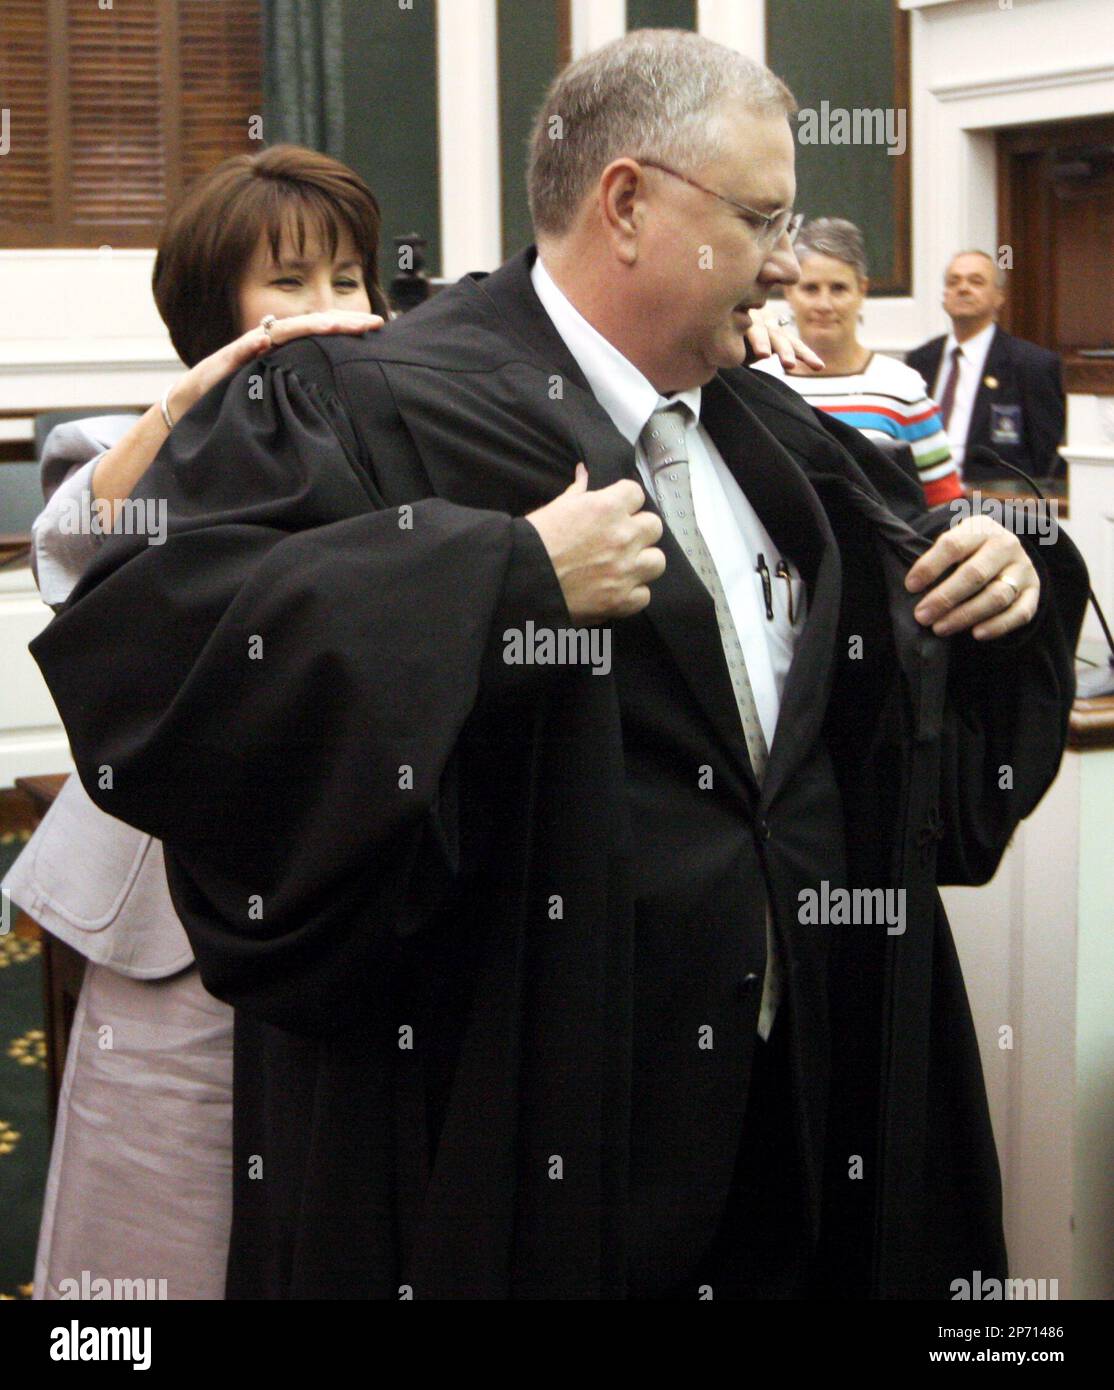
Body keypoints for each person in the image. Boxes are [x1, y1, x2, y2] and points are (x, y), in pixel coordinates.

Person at [30, 31, 1088, 1300]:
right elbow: (170, 662)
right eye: (758, 216)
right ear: (628, 203)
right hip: (519, 1142)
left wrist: (1005, 573)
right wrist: (501, 581)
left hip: (794, 1128)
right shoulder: (364, 408)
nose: (784, 260)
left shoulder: (774, 433)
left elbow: (915, 650)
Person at [2, 143, 390, 1299]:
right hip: (171, 904)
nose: (325, 313)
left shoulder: (397, 428)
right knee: (149, 1209)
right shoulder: (141, 444)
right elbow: (72, 544)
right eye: (289, 283)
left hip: (341, 886)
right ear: (213, 301)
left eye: (348, 281)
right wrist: (191, 398)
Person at [754, 218, 962, 507]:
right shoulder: (759, 385)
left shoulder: (902, 387)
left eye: (838, 288)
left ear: (862, 290)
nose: (824, 304)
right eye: (810, 288)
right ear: (789, 291)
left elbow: (945, 505)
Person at [906, 250, 1066, 484]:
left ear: (999, 297)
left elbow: (1048, 460)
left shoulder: (1032, 365)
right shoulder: (920, 361)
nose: (963, 288)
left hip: (994, 505)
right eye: (954, 282)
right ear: (944, 296)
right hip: (923, 500)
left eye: (976, 281)